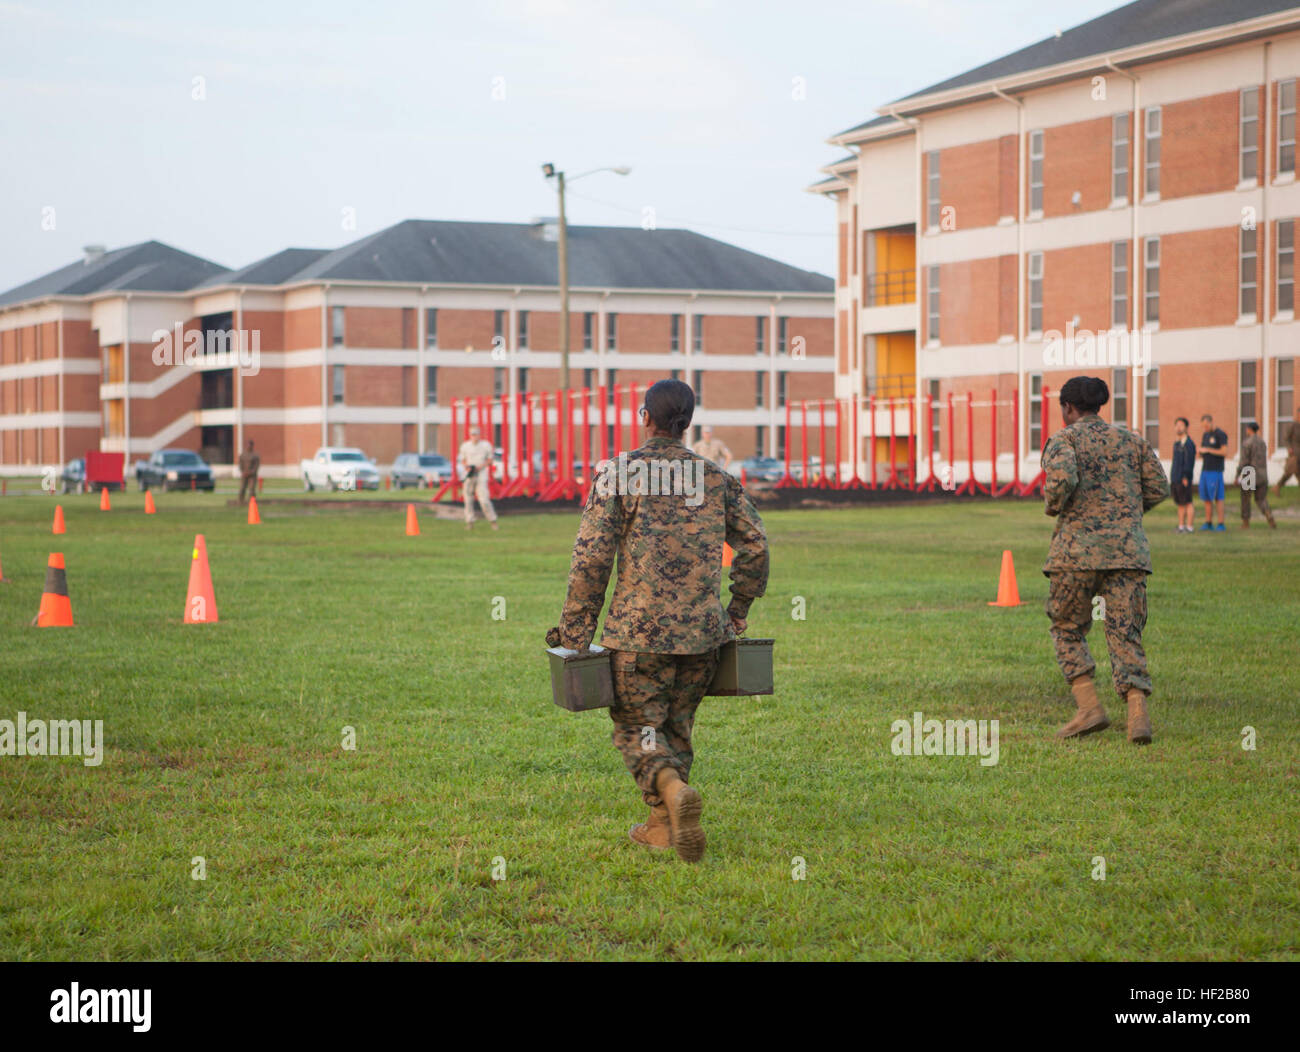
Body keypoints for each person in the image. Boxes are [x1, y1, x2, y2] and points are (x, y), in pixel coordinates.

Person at [546, 379, 769, 862]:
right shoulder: (715, 477)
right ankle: (661, 827)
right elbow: (756, 543)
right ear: (686, 423)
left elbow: (591, 559)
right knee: (676, 726)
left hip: (637, 634)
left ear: (644, 416)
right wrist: (737, 610)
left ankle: (670, 789)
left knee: (637, 728)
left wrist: (574, 634)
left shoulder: (618, 474)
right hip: (703, 637)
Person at [1042, 376, 1169, 745]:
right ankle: (1137, 714)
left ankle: (1089, 708)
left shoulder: (1063, 439)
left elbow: (1062, 479)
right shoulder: (1132, 441)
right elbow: (1159, 487)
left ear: (1068, 408)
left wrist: (1053, 505)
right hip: (1129, 553)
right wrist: (1127, 514)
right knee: (1125, 631)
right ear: (1099, 405)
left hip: (1075, 554)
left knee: (1067, 627)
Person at [457, 425, 498, 531]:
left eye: (476, 434)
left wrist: (480, 467)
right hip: (469, 474)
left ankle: (492, 520)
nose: (474, 437)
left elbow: (490, 459)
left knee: (484, 499)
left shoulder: (485, 445)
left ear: (479, 435)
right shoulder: (465, 446)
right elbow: (463, 459)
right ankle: (470, 522)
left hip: (481, 473)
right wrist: (467, 467)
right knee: (468, 499)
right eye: (472, 434)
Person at [1236, 422, 1276, 529]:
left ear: (1249, 429)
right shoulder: (1262, 442)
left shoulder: (1246, 443)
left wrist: (1237, 474)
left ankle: (1245, 523)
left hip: (1249, 472)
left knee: (1245, 499)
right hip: (1262, 473)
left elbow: (1243, 461)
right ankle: (1268, 514)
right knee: (1261, 499)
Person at [1197, 413, 1229, 531]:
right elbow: (1203, 451)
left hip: (1215, 471)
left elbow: (1224, 452)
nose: (1205, 428)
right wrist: (1200, 452)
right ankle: (1208, 522)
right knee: (1206, 497)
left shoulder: (1220, 434)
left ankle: (1221, 523)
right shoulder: (1205, 435)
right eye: (1203, 426)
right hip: (1205, 469)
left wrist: (1209, 450)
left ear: (1211, 422)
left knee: (1217, 497)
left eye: (1206, 425)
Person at [1170, 418, 1196, 533]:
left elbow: (1189, 461)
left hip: (1184, 478)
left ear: (1186, 427)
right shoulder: (1176, 443)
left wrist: (1186, 476)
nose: (1179, 427)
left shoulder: (1189, 444)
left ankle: (1189, 527)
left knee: (1188, 502)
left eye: (1181, 425)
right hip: (1175, 477)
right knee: (1180, 503)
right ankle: (1181, 526)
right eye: (1177, 425)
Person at [1276, 419, 1300, 497]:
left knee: (1293, 472)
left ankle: (1277, 487)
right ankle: (1277, 486)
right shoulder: (1293, 426)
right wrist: (1289, 448)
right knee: (1291, 472)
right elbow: (1286, 438)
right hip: (1294, 454)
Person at [237, 439, 260, 504]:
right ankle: (240, 501)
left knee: (252, 489)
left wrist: (251, 472)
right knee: (242, 488)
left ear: (252, 446)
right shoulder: (243, 455)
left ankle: (252, 503)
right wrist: (243, 472)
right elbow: (240, 465)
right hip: (244, 474)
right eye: (248, 445)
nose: (249, 446)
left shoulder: (255, 455)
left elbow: (256, 466)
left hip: (252, 475)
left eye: (250, 445)